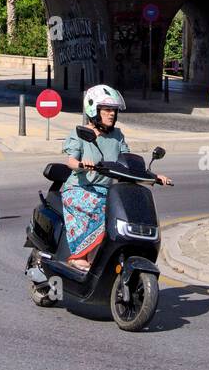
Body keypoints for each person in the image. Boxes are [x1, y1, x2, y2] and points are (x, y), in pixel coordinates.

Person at [60, 84, 172, 272]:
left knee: (125, 210)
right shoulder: (80, 133)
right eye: (107, 110)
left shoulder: (117, 136)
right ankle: (79, 255)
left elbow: (128, 161)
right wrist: (81, 164)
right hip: (79, 190)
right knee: (102, 208)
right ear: (94, 110)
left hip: (106, 191)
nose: (112, 114)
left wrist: (154, 176)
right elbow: (70, 161)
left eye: (113, 110)